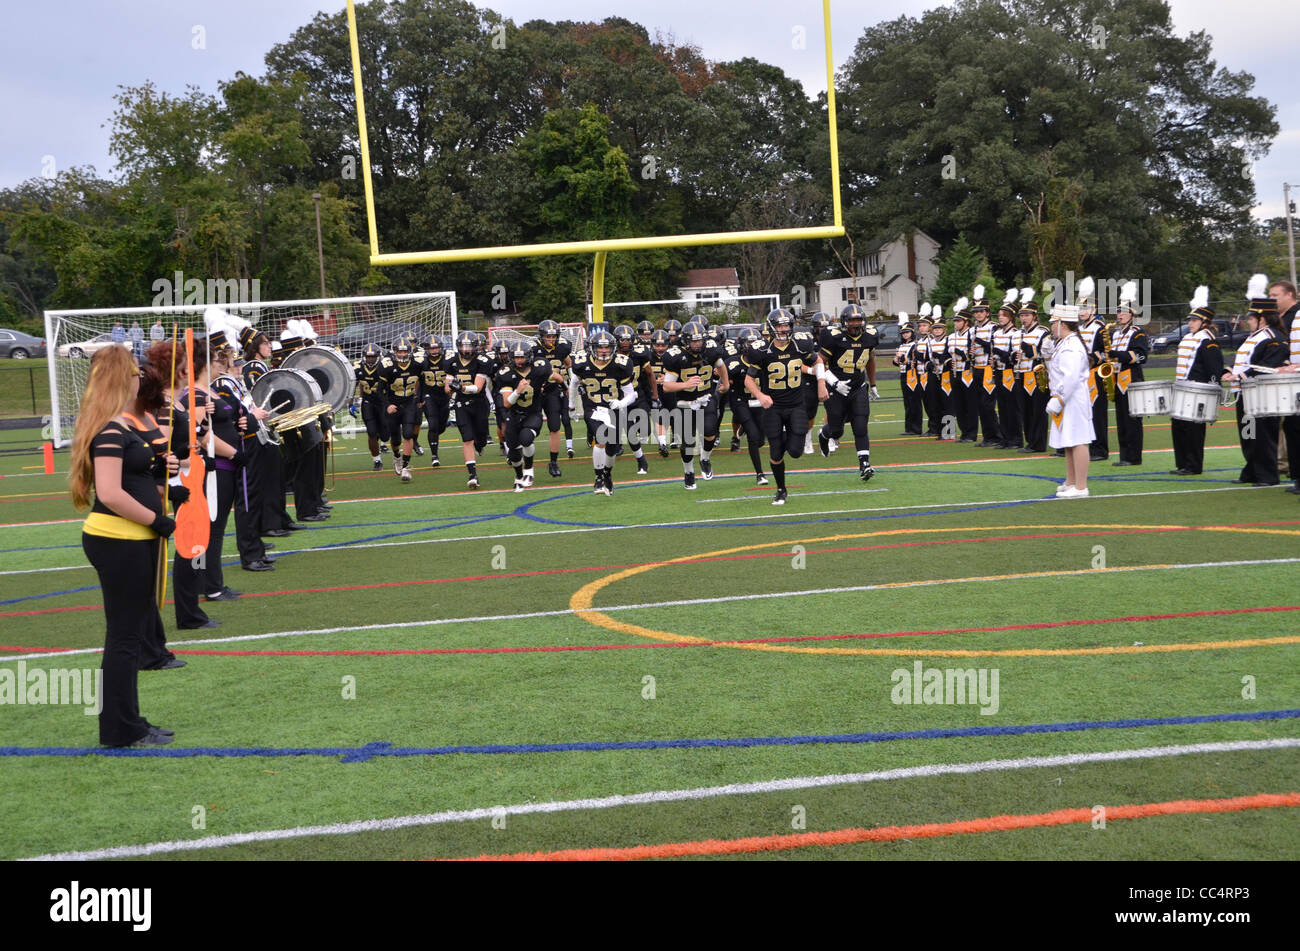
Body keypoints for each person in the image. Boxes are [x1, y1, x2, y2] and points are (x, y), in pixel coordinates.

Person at [69, 345, 177, 747]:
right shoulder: (112, 430)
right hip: (120, 540)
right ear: (120, 378)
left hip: (131, 539)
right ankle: (119, 729)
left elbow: (128, 478)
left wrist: (154, 470)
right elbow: (111, 493)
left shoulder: (118, 426)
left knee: (129, 635)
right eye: (134, 372)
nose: (139, 378)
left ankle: (128, 719)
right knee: (124, 638)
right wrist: (158, 520)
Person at [145, 340, 217, 630]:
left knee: (196, 544)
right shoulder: (164, 404)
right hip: (176, 484)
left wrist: (201, 436)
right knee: (189, 547)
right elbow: (160, 453)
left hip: (189, 478)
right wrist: (189, 462)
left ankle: (192, 611)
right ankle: (188, 615)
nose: (191, 368)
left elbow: (183, 445)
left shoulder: (174, 401)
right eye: (184, 364)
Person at [745, 309, 817, 504]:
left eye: (787, 325)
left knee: (795, 451)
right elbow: (749, 380)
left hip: (796, 405)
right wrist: (760, 395)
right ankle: (781, 489)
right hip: (773, 407)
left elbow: (817, 362)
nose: (784, 329)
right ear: (771, 327)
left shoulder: (801, 344)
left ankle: (783, 437)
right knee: (776, 453)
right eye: (780, 325)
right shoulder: (761, 350)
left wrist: (822, 383)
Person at [1224, 275, 1289, 486]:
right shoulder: (1253, 336)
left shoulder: (1273, 337)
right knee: (1248, 434)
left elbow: (1268, 366)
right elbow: (1244, 363)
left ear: (1262, 318)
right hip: (1245, 393)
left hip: (1263, 396)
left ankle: (1268, 476)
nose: (1248, 320)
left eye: (1251, 317)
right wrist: (1230, 372)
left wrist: (1240, 375)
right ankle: (1251, 470)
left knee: (1263, 436)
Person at [662, 320, 729, 487]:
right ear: (685, 341)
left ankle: (705, 459)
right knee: (688, 444)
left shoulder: (711, 349)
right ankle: (688, 471)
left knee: (710, 433)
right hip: (684, 402)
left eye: (699, 340)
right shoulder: (676, 356)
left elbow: (721, 366)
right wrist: (685, 384)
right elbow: (667, 386)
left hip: (706, 397)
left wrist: (725, 383)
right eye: (693, 341)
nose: (697, 344)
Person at [816, 303, 880, 478]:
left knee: (860, 426)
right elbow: (819, 361)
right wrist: (832, 382)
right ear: (844, 322)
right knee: (837, 430)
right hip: (836, 388)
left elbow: (870, 359)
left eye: (858, 320)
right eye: (852, 320)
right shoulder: (833, 336)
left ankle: (864, 465)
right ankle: (824, 434)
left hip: (858, 387)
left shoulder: (870, 336)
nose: (856, 324)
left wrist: (872, 384)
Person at [572, 330, 637, 495]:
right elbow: (573, 382)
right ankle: (598, 477)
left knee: (613, 447)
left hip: (613, 409)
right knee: (602, 437)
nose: (604, 351)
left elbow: (631, 394)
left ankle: (607, 473)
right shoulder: (582, 363)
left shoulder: (621, 364)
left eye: (607, 347)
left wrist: (620, 402)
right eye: (600, 348)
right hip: (593, 408)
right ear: (592, 348)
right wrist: (571, 404)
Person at [1169, 289, 1223, 476]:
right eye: (1190, 320)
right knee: (1178, 426)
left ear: (1204, 322)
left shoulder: (1208, 341)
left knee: (1193, 430)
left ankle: (1194, 465)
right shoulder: (1188, 338)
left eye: (1194, 320)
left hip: (1198, 391)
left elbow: (1214, 370)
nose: (1190, 323)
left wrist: (1213, 393)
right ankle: (1183, 463)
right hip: (1183, 388)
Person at [1045, 304, 1095, 498]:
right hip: (1067, 398)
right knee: (1068, 440)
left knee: (1078, 439)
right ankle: (1071, 481)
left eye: (1053, 323)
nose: (1051, 327)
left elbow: (1071, 377)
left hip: (1072, 398)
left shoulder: (1072, 346)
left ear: (1062, 324)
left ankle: (1081, 487)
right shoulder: (1065, 343)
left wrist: (1059, 399)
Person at [496, 342, 553, 491]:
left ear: (529, 357)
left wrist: (564, 385)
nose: (519, 361)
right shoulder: (506, 373)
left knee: (526, 439)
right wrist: (518, 391)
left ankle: (529, 469)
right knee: (514, 453)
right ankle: (519, 476)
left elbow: (553, 376)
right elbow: (507, 404)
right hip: (513, 416)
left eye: (522, 357)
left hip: (533, 413)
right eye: (516, 357)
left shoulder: (540, 368)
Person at [442, 331, 494, 488]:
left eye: (469, 346)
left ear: (476, 347)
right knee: (467, 438)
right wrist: (451, 388)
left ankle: (480, 445)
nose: (466, 350)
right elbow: (446, 389)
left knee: (481, 438)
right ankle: (472, 474)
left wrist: (461, 387)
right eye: (463, 346)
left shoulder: (483, 361)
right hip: (461, 404)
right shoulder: (451, 361)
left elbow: (478, 388)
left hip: (479, 403)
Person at [1108, 282, 1149, 466]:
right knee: (1121, 420)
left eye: (1124, 312)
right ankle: (1124, 455)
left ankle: (1134, 457)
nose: (1120, 315)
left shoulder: (1137, 333)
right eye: (1118, 312)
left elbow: (1140, 356)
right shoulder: (1116, 334)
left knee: (1132, 421)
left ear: (1132, 315)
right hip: (1117, 380)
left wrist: (1116, 355)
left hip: (1132, 380)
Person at [532, 320, 574, 477]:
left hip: (552, 391)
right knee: (532, 428)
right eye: (548, 336)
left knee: (555, 427)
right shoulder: (533, 348)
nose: (551, 339)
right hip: (535, 392)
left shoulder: (562, 347)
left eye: (553, 336)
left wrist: (569, 383)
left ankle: (554, 462)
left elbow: (569, 364)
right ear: (541, 336)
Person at [1269, 280, 1300, 492]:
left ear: (1289, 294)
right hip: (1291, 383)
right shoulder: (1283, 318)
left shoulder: (1295, 315)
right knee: (1291, 427)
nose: (1271, 299)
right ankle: (1296, 474)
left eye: (1275, 295)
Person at [381, 335, 424, 483]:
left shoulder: (417, 364)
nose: (403, 354)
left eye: (405, 351)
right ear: (394, 352)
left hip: (409, 403)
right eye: (399, 352)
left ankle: (405, 467)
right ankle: (396, 456)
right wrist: (387, 405)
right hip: (393, 404)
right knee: (395, 438)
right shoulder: (387, 366)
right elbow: (379, 390)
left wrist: (420, 398)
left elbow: (423, 381)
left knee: (408, 434)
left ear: (410, 351)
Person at [1076, 277, 1111, 461]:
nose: (1082, 311)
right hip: (1082, 376)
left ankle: (1100, 450)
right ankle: (1089, 447)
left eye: (1086, 308)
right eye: (1080, 308)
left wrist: (1091, 359)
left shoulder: (1100, 329)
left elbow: (1106, 353)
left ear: (1094, 310)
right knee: (1085, 414)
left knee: (1098, 414)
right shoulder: (1080, 328)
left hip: (1096, 376)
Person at [1015, 290, 1049, 452]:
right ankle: (1030, 441)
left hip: (1037, 375)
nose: (1024, 318)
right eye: (1022, 315)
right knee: (1025, 411)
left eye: (1027, 315)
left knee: (1038, 411)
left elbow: (1042, 353)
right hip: (1021, 374)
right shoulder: (1019, 333)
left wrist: (1025, 347)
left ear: (1035, 316)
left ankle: (1039, 443)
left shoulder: (1043, 331)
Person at [990, 290, 1023, 449]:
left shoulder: (1016, 334)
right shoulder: (996, 333)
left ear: (1011, 317)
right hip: (999, 372)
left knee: (1012, 407)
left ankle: (1016, 439)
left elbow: (1014, 357)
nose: (1001, 317)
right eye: (1000, 315)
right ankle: (1005, 438)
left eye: (1004, 315)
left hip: (1010, 373)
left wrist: (999, 353)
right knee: (1002, 406)